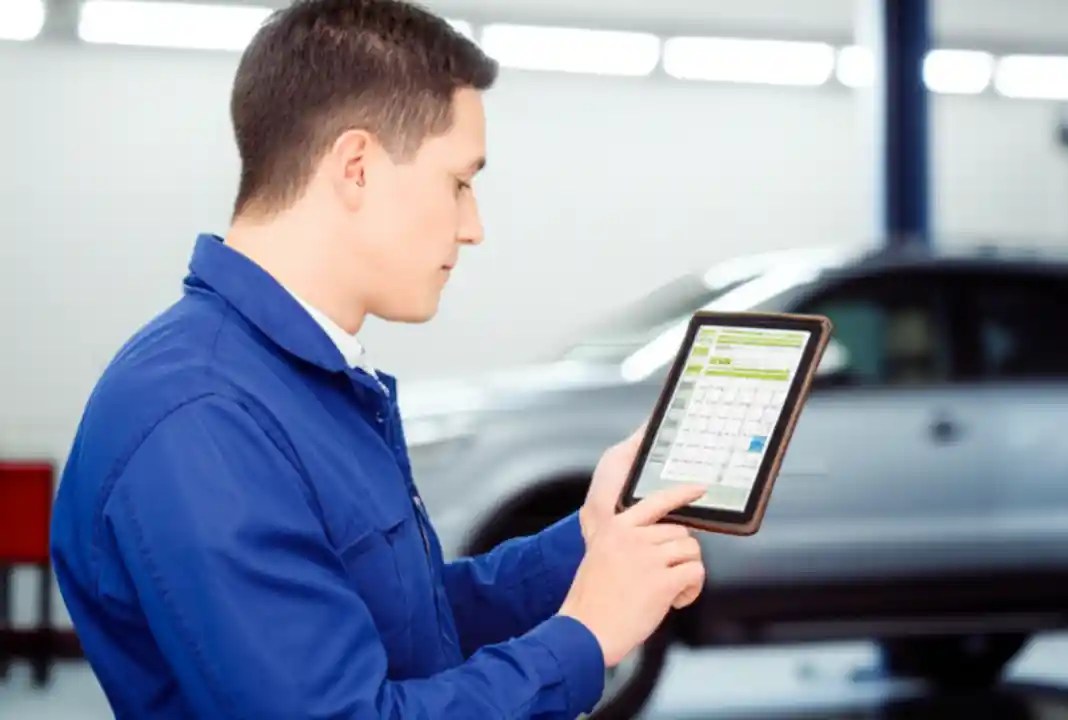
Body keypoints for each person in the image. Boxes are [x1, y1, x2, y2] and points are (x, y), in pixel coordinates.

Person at [49, 1, 708, 717]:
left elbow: (410, 629)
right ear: (356, 168)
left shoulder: (300, 382)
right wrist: (585, 639)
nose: (474, 226)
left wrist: (588, 542)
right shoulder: (201, 419)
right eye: (459, 182)